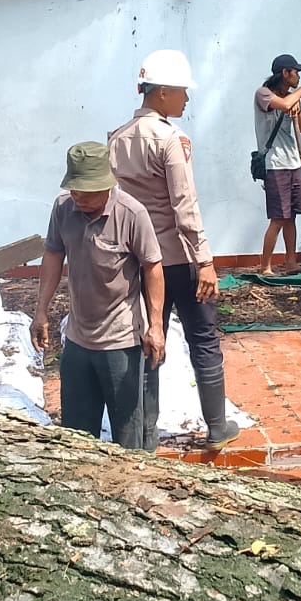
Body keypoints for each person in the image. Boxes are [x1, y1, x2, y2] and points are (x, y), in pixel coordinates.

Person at [108, 50, 240, 450]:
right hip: (179, 259)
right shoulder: (170, 139)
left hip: (141, 261)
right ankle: (217, 428)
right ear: (162, 93)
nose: (186, 99)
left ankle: (144, 438)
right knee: (203, 339)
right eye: (182, 92)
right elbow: (184, 205)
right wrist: (206, 261)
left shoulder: (115, 138)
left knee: (150, 339)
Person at [32, 142, 166, 451]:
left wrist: (155, 325)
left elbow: (153, 268)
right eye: (74, 189)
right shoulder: (64, 207)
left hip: (121, 343)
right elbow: (53, 253)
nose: (77, 196)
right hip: (78, 339)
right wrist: (41, 310)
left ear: (106, 185)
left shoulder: (132, 214)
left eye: (85, 191)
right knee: (77, 438)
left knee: (128, 438)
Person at [253, 53, 301, 275]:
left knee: (292, 216)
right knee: (278, 217)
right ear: (285, 73)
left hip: (293, 163)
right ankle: (265, 266)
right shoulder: (263, 94)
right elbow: (284, 103)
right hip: (275, 164)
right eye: (295, 72)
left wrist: (298, 104)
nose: (298, 77)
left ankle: (291, 261)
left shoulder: (290, 98)